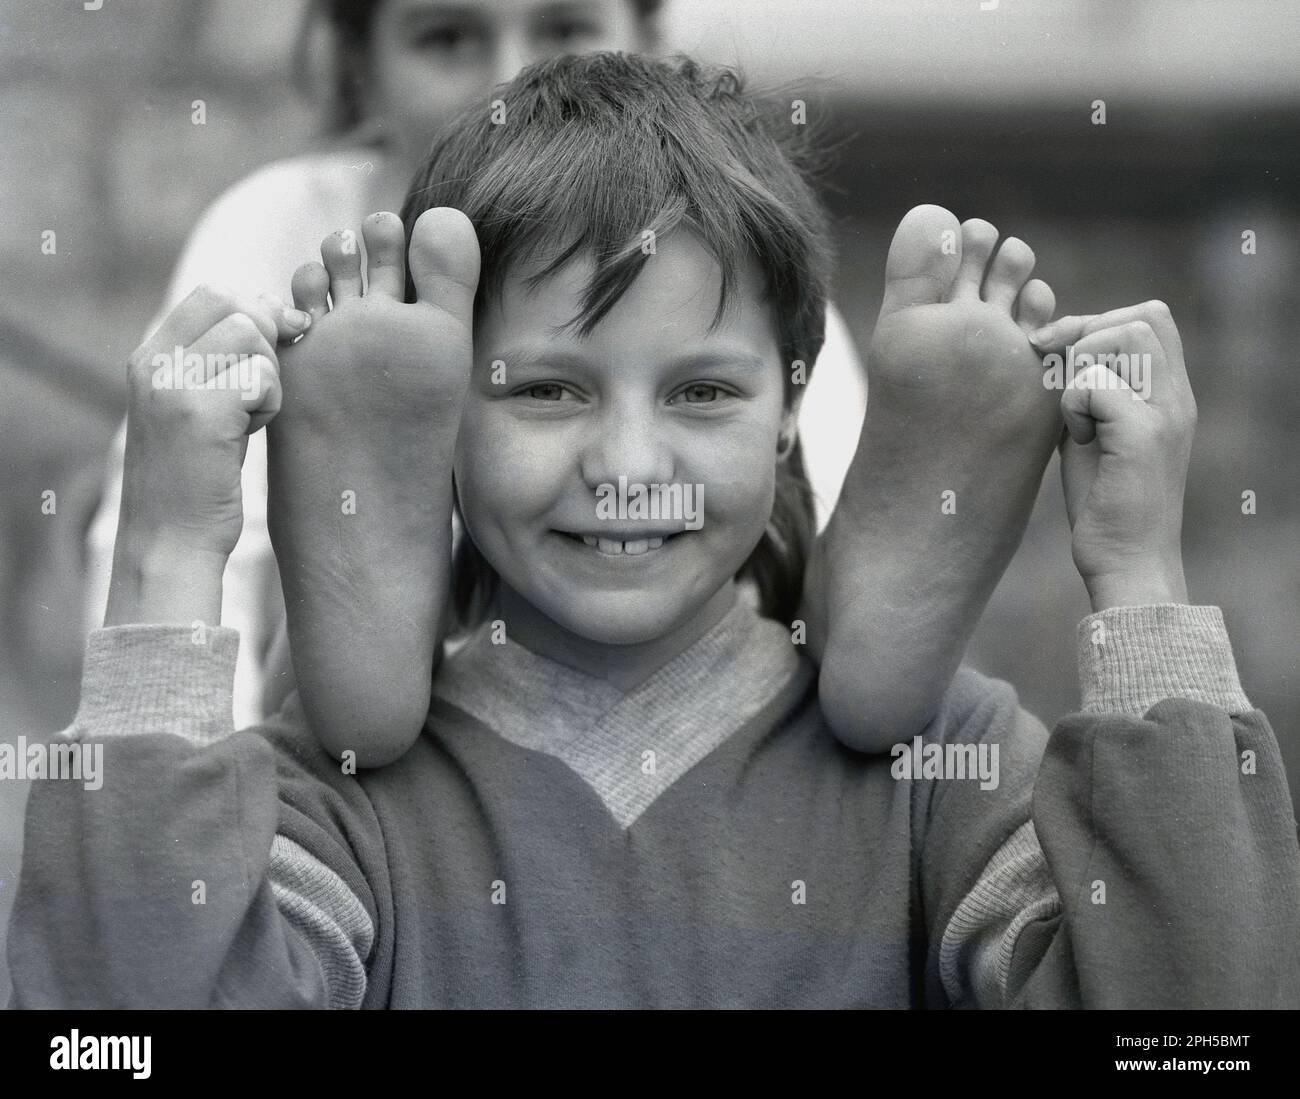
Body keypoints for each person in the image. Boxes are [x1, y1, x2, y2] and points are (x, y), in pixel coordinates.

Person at [11, 54, 1297, 1008]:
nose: (627, 468)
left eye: (701, 392)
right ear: (437, 420)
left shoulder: (939, 769)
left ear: (798, 410)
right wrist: (166, 559)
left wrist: (1137, 570)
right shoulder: (339, 805)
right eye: (547, 389)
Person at [82, 0, 868, 733]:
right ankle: (332, 709)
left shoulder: (735, 269)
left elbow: (781, 516)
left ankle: (868, 655)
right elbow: (228, 551)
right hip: (406, 752)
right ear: (361, 63)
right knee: (303, 676)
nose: (506, 81)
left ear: (648, 43)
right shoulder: (281, 226)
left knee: (805, 584)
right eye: (448, 38)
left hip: (697, 654)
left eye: (563, 28)